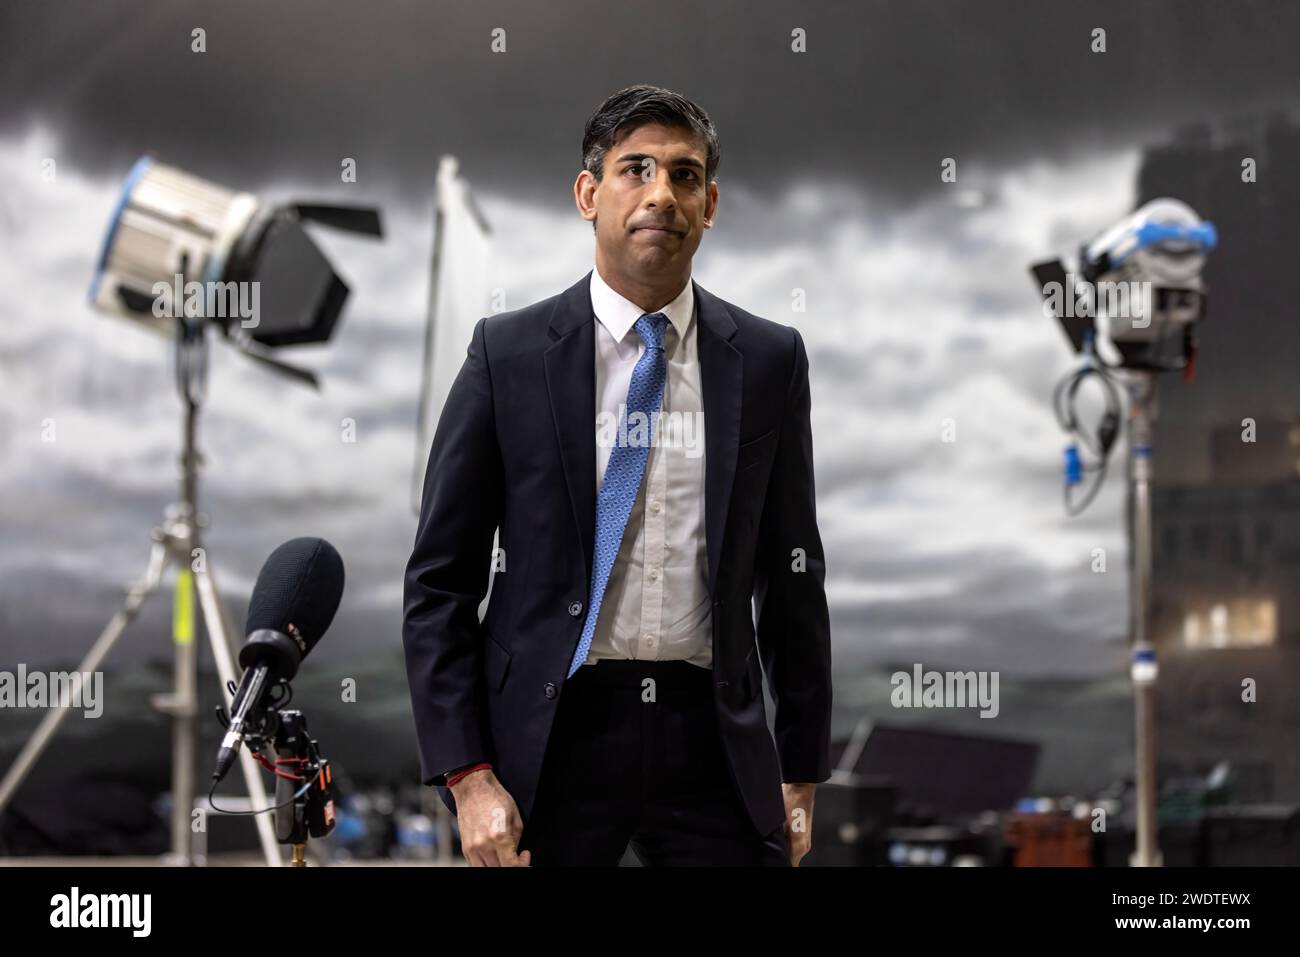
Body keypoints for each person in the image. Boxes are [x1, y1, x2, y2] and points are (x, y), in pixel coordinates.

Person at [402, 84, 832, 866]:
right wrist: (467, 777)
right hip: (552, 733)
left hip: (715, 741)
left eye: (685, 174)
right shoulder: (507, 356)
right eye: (635, 169)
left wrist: (801, 771)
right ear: (588, 193)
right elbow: (439, 583)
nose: (661, 193)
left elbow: (794, 575)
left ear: (710, 205)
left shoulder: (770, 361)